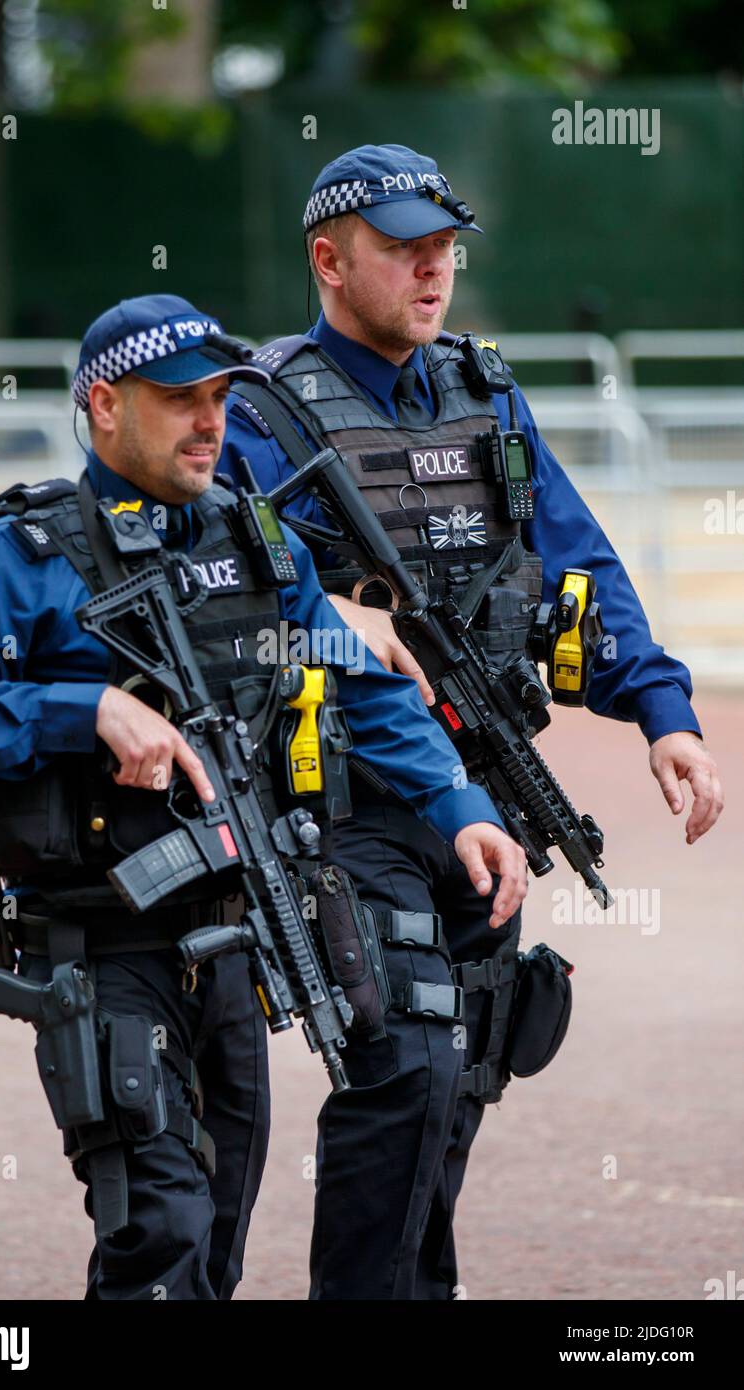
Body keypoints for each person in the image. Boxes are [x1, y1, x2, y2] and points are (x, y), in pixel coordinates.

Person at [0, 292, 527, 1301]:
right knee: (162, 1231)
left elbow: (352, 680)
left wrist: (459, 807)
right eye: (179, 399)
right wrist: (86, 708)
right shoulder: (20, 557)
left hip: (232, 941)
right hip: (102, 948)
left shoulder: (253, 539)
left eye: (219, 398)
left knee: (216, 1234)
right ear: (105, 406)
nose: (209, 422)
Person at [220, 144, 725, 1300]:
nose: (431, 268)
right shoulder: (259, 409)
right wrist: (332, 617)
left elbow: (574, 563)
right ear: (327, 261)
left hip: (487, 791)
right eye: (402, 248)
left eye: (442, 246)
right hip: (344, 805)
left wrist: (660, 712)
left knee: (464, 1068)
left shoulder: (487, 393)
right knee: (404, 1059)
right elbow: (227, 603)